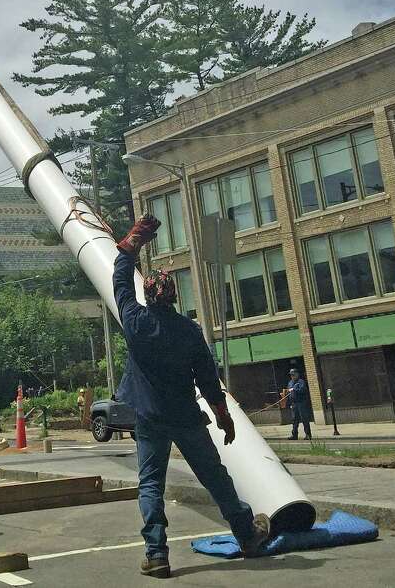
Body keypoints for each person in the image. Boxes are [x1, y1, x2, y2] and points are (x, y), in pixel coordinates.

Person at [114, 214, 269, 578]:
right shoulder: (189, 331)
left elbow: (120, 282)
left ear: (147, 295)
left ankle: (156, 554)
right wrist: (224, 417)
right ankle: (247, 536)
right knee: (215, 477)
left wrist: (132, 243)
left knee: (151, 483)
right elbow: (208, 380)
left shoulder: (135, 322)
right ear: (173, 297)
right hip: (186, 417)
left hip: (150, 418)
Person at [284, 368, 313, 440]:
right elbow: (289, 392)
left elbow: (303, 390)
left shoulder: (301, 382)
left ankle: (308, 435)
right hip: (294, 403)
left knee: (304, 419)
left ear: (297, 374)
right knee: (294, 420)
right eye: (291, 375)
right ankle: (294, 435)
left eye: (293, 375)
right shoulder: (290, 382)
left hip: (301, 403)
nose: (292, 376)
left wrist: (294, 390)